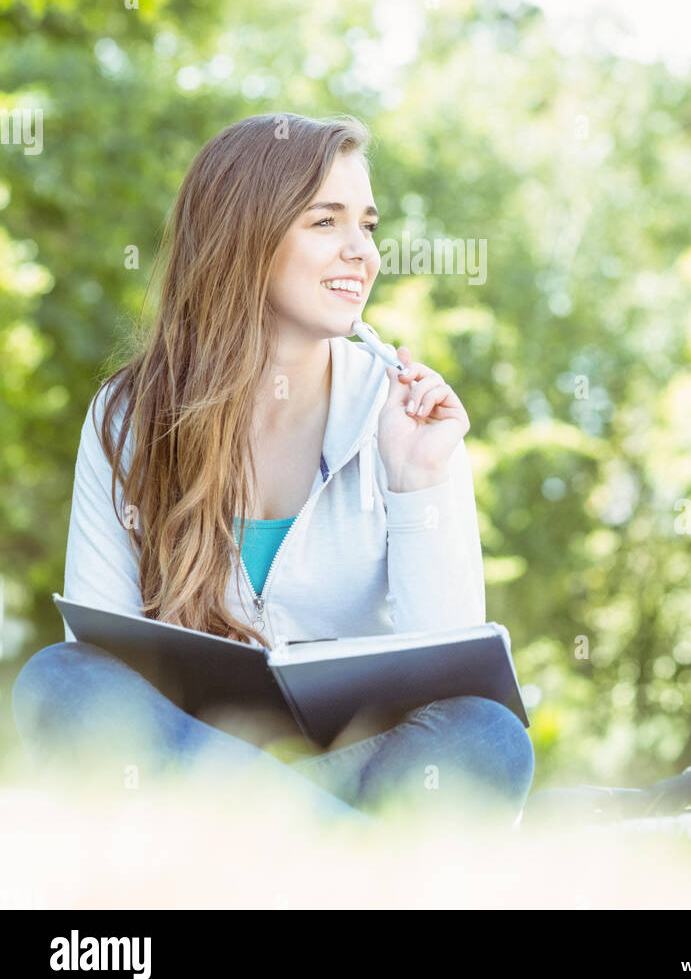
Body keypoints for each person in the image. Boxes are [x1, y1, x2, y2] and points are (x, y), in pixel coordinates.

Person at [12, 112, 535, 833]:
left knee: (488, 736)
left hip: (335, 775)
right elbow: (105, 668)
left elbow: (449, 683)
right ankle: (346, 867)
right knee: (58, 682)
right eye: (327, 222)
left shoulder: (408, 422)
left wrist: (416, 483)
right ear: (243, 236)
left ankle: (269, 855)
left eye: (369, 227)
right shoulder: (129, 415)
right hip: (196, 761)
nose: (364, 253)